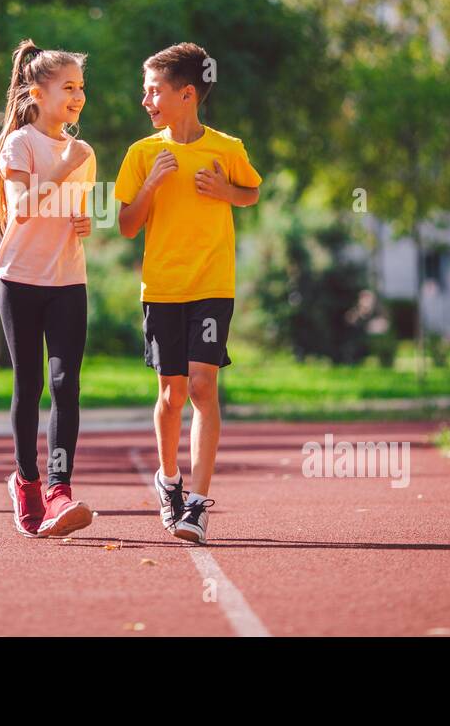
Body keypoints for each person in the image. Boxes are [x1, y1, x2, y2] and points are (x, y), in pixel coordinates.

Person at [114, 42, 261, 544]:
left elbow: (251, 192)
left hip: (212, 284)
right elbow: (127, 226)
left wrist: (228, 193)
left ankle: (196, 504)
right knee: (171, 394)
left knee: (202, 386)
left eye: (154, 90)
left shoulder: (227, 148)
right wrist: (152, 185)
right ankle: (169, 480)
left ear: (187, 94)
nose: (146, 100)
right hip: (162, 288)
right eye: (145, 91)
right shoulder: (141, 153)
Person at [0, 39, 96, 539]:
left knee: (66, 385)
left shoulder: (84, 150)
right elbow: (24, 206)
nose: (77, 97)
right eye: (68, 87)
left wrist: (88, 218)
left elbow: (81, 209)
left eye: (81, 88)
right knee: (28, 385)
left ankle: (58, 489)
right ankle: (26, 481)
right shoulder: (20, 144)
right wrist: (65, 166)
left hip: (68, 279)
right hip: (21, 279)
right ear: (37, 91)